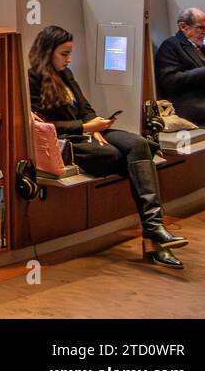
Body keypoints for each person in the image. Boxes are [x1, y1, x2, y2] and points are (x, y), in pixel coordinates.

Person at [29, 24, 187, 268]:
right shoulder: (31, 80)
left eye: (70, 53)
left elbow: (85, 107)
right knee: (131, 159)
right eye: (64, 53)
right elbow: (44, 126)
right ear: (47, 51)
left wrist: (97, 126)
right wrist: (85, 129)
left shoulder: (66, 75)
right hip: (69, 140)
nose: (69, 59)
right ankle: (155, 235)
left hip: (90, 131)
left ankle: (154, 227)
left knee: (139, 144)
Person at [154, 7, 205, 137]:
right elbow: (169, 82)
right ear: (183, 26)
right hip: (200, 108)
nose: (204, 32)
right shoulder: (171, 46)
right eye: (200, 28)